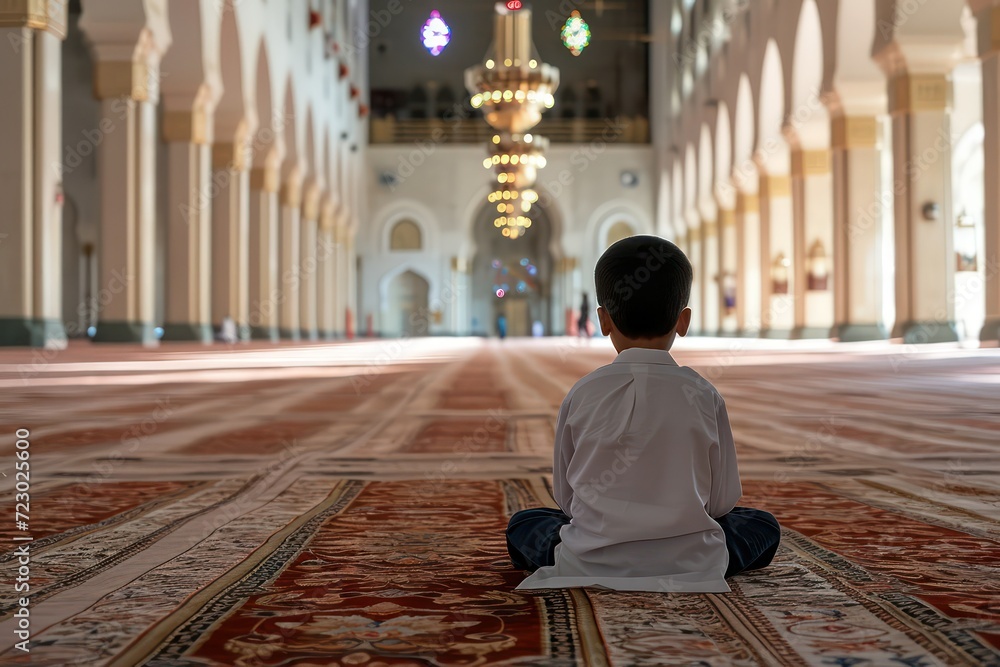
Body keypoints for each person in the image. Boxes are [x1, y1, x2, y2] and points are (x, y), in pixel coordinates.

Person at [506, 235, 780, 592]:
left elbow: (567, 497)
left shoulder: (582, 392)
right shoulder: (703, 393)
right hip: (693, 556)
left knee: (524, 523)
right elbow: (722, 500)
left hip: (590, 554)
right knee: (763, 525)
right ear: (683, 321)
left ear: (603, 320)